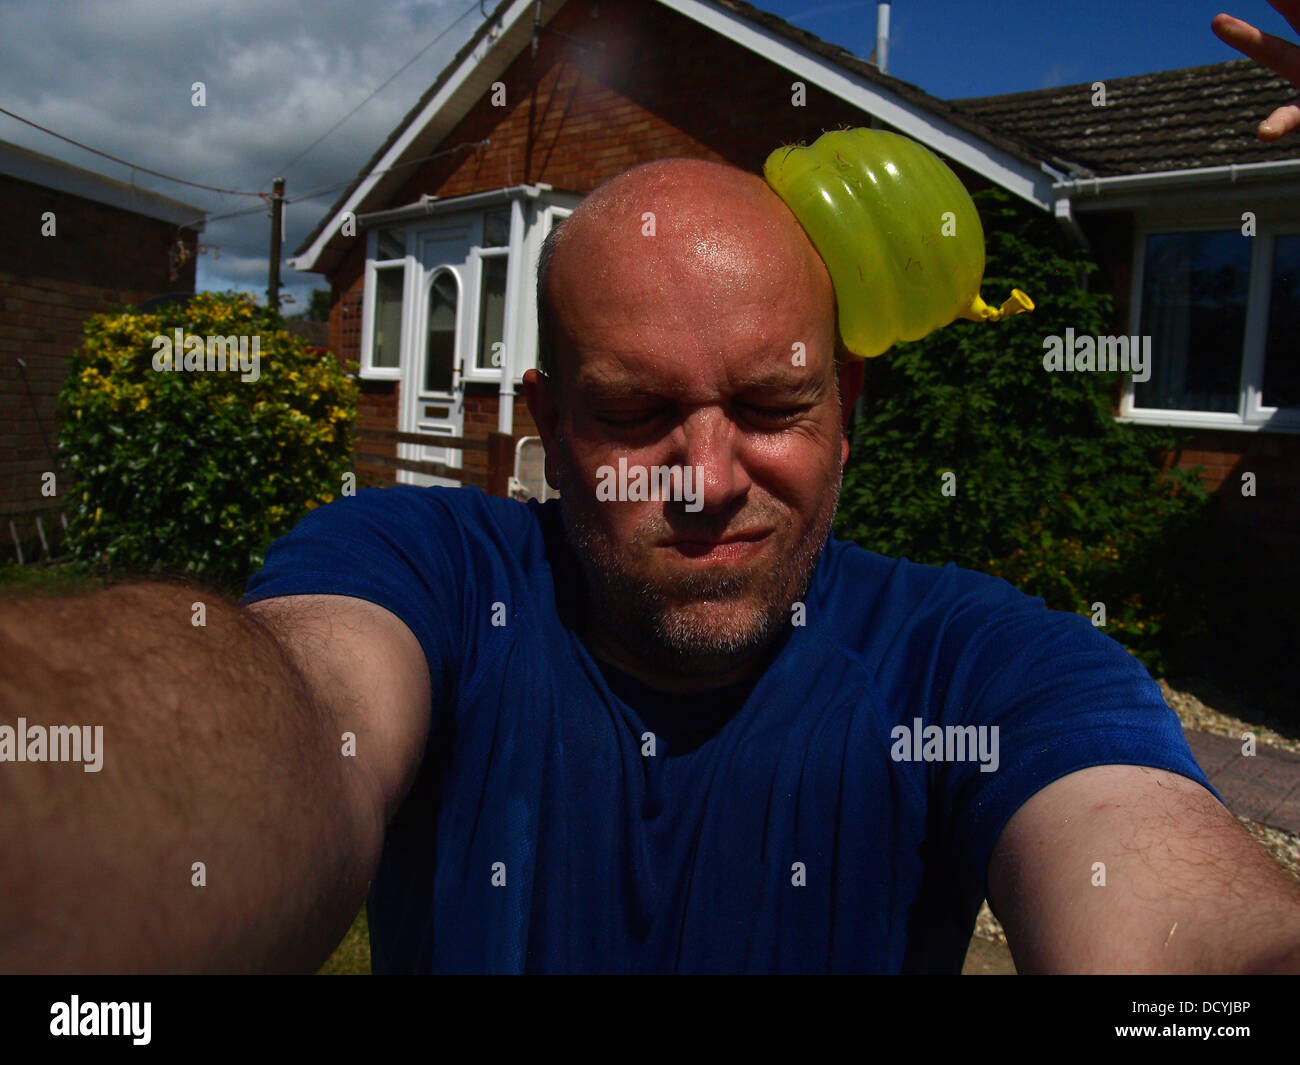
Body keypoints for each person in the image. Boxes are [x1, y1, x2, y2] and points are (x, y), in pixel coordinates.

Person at [3, 10, 1300, 976]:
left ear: (852, 413)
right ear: (547, 424)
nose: (705, 474)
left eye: (773, 407)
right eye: (634, 410)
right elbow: (285, 714)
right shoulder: (426, 575)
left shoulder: (986, 667)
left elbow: (1178, 922)